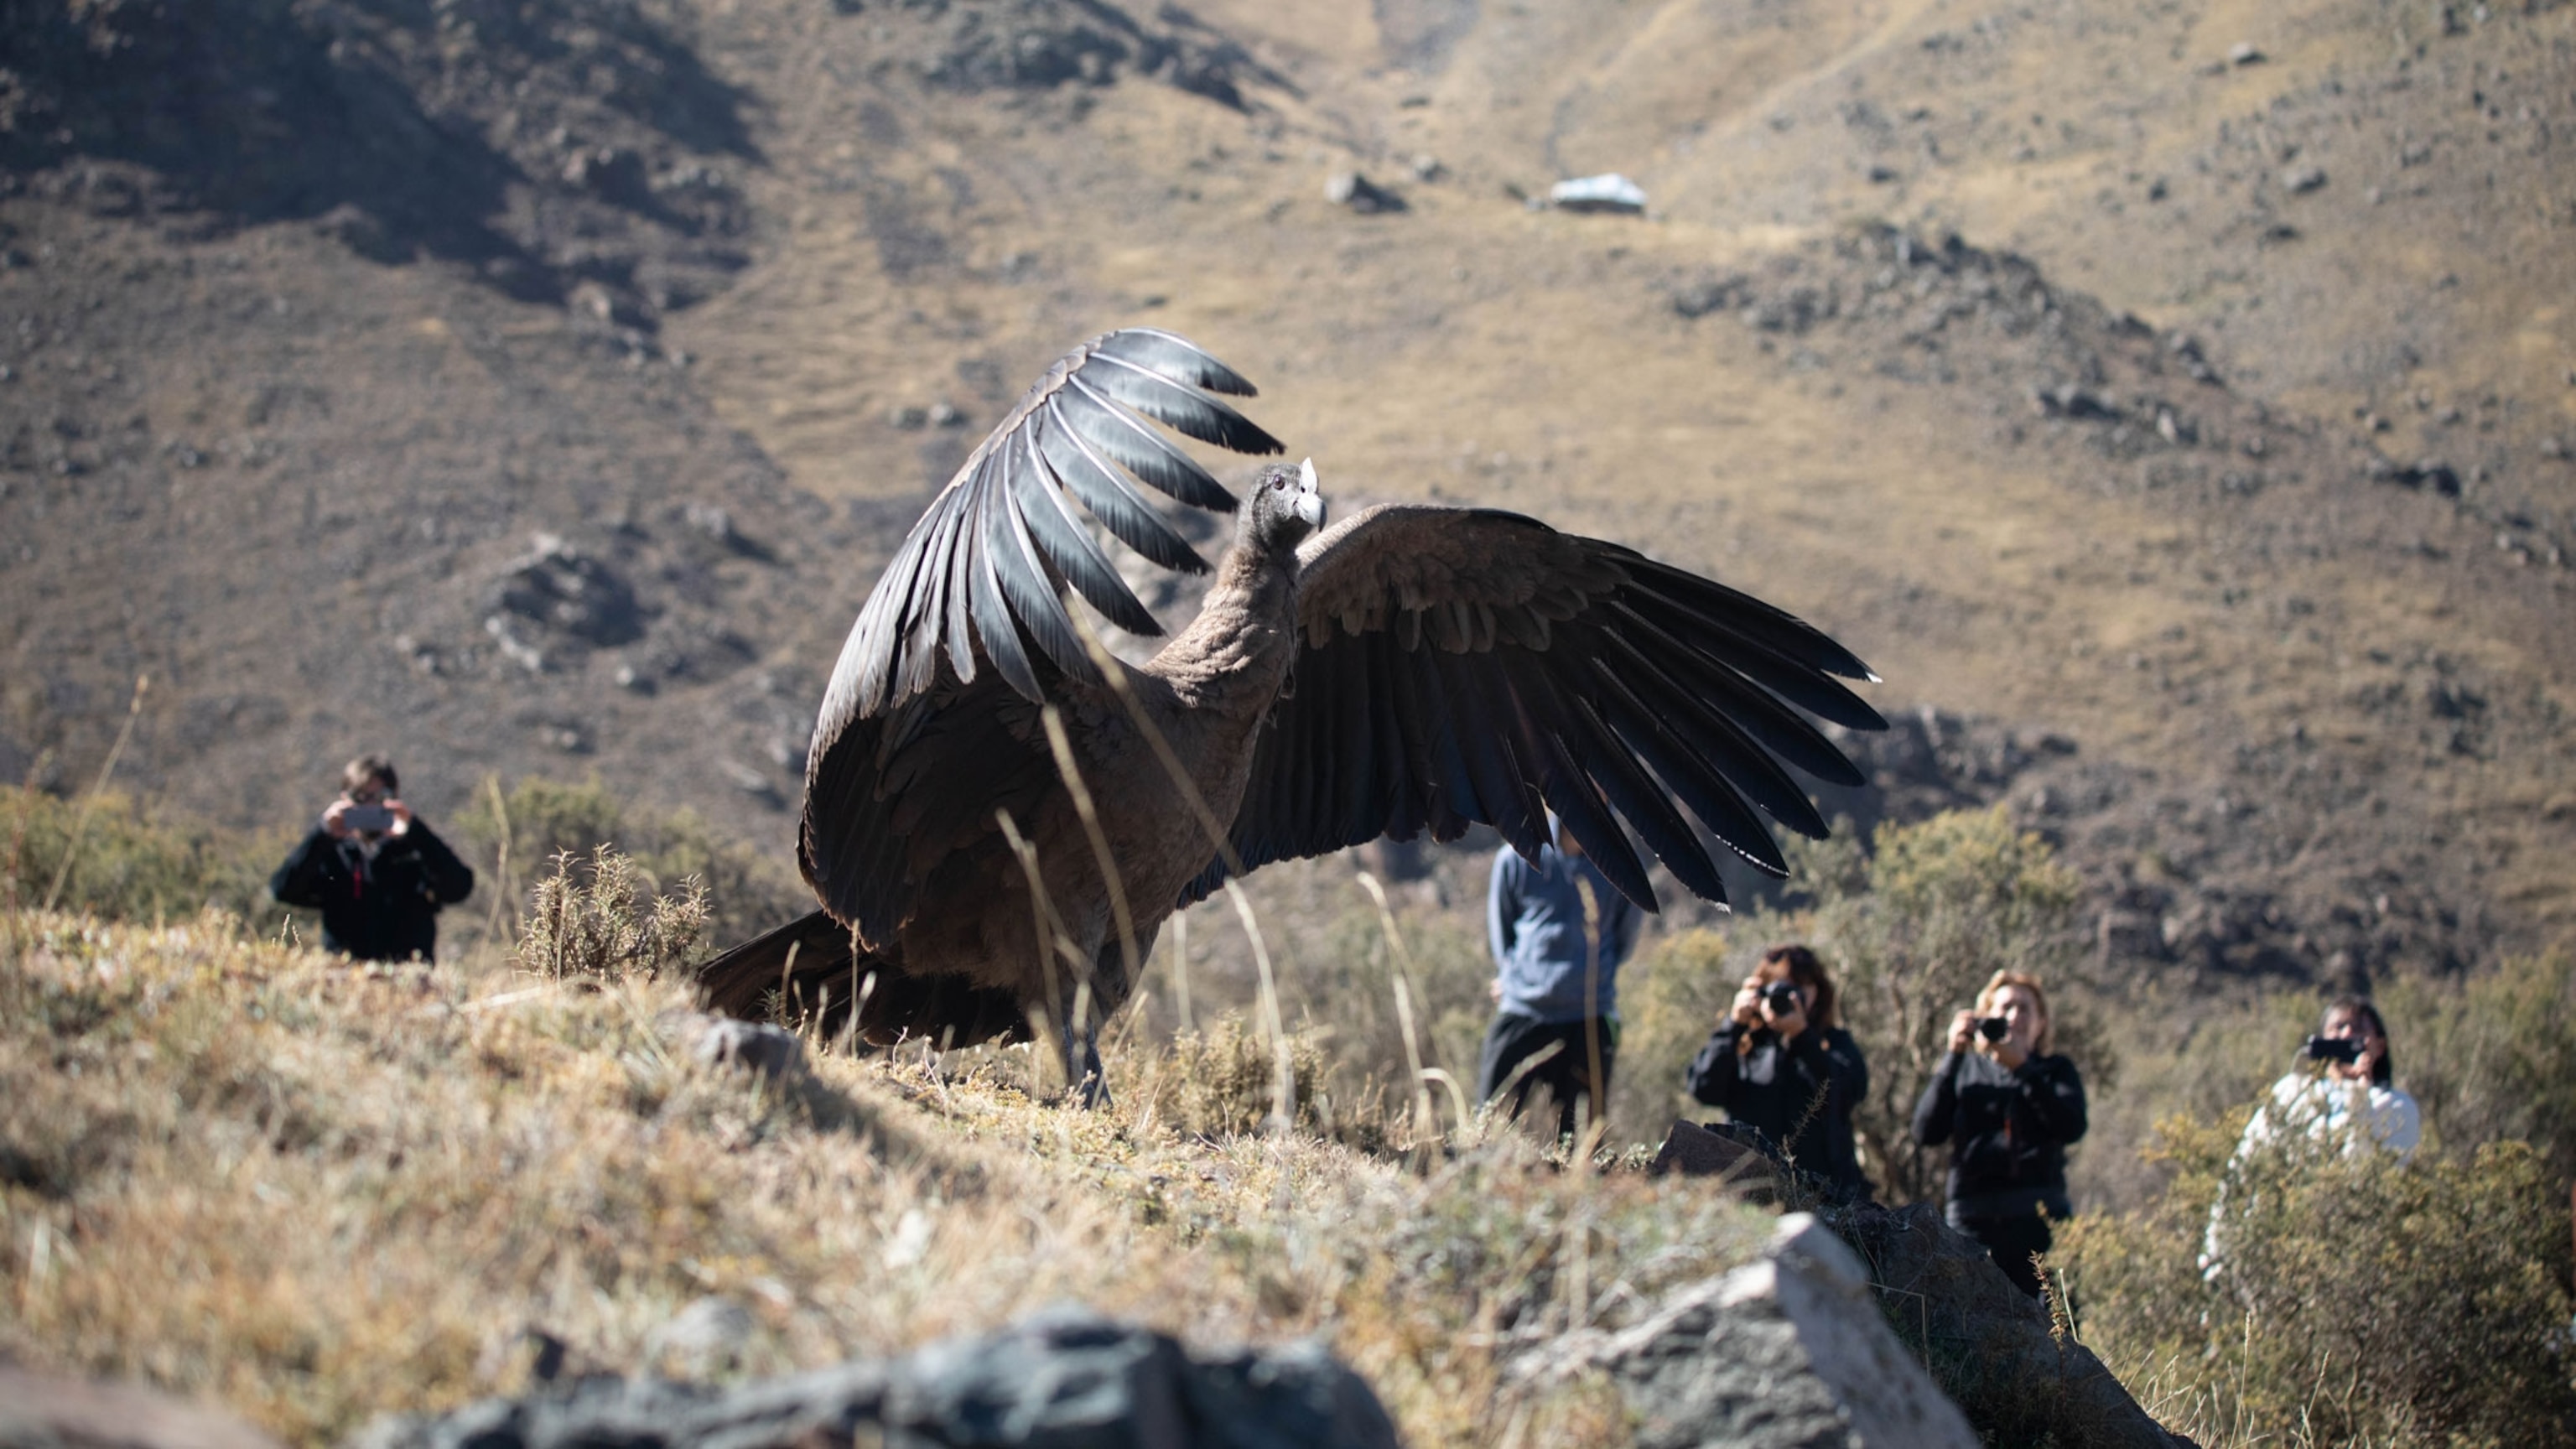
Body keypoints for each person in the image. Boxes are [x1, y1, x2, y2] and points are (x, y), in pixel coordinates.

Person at [2200, 997, 2420, 1280]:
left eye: (2358, 1029)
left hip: (2349, 1261)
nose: (2347, 1035)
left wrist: (2359, 1096)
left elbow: (2365, 1176)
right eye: (2338, 1027)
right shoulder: (2293, 1092)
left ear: (2380, 1044)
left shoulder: (2397, 1107)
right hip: (2274, 1253)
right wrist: (2215, 1252)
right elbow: (2244, 1167)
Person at [1911, 969, 2088, 1297]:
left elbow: (2071, 1126)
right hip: (1972, 1224)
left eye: (2025, 1009)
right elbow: (1926, 1131)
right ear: (1984, 1017)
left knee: (2054, 1334)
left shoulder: (2057, 1071)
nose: (2015, 1016)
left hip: (2042, 1224)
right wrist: (1953, 1054)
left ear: (2041, 1024)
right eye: (2005, 1007)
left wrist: (2023, 1069)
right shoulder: (1964, 1070)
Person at [1477, 817, 1643, 1144]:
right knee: (1488, 1128)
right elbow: (1502, 929)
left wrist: (1592, 975)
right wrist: (1513, 976)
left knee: (1582, 1142)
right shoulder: (1518, 855)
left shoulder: (1621, 866)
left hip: (1588, 1017)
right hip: (1523, 1011)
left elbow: (1624, 938)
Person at [1685, 944, 1871, 1203]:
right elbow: (1703, 1088)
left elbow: (1849, 1091)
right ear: (1760, 992)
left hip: (1826, 1197)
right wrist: (1734, 1024)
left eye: (1800, 986)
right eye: (1781, 987)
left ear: (1818, 992)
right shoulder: (1743, 1046)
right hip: (1750, 1195)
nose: (1790, 997)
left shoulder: (1834, 1043)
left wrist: (1803, 1037)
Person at [270, 754, 475, 963]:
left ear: (394, 797)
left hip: (408, 979)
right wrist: (322, 834)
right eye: (360, 797)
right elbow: (282, 889)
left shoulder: (413, 852)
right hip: (346, 979)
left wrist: (416, 832)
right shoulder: (332, 853)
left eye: (380, 797)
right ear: (345, 799)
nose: (370, 805)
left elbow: (459, 888)